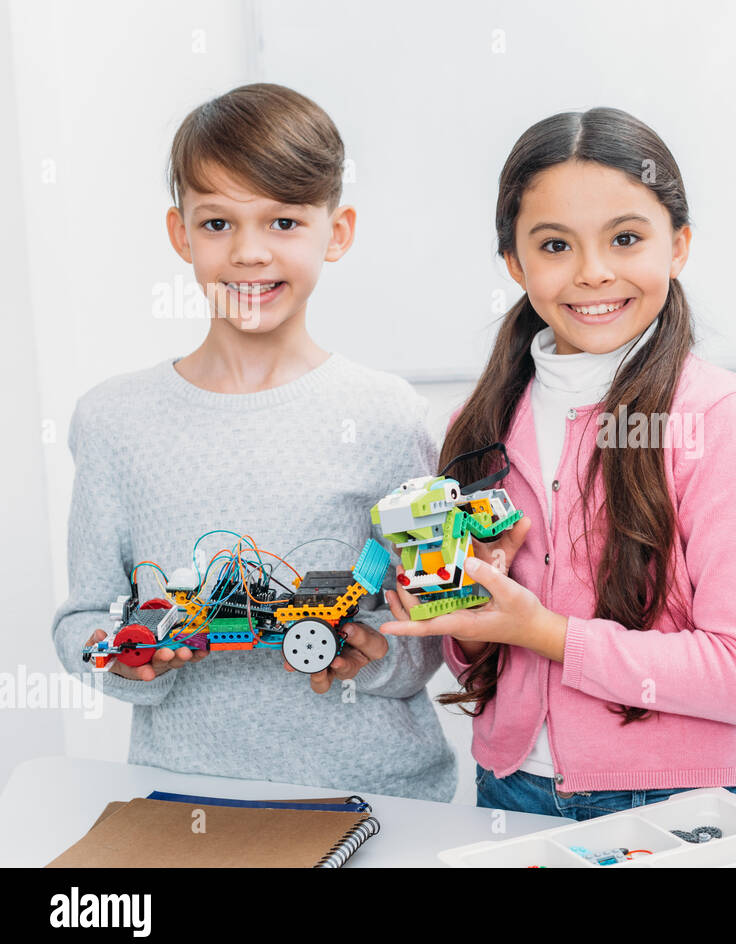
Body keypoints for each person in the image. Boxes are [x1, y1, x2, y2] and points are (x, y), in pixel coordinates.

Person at [50, 83, 457, 800]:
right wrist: (116, 661)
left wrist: (377, 658)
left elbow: (431, 619)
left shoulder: (388, 412)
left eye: (284, 221)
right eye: (217, 224)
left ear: (337, 232)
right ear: (179, 232)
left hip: (375, 796)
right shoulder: (114, 420)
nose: (248, 252)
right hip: (188, 798)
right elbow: (85, 616)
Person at [382, 107, 736, 818]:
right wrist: (462, 606)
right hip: (511, 785)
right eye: (554, 245)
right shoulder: (477, 425)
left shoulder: (713, 418)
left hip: (672, 798)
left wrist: (544, 630)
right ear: (513, 261)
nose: (593, 272)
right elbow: (479, 659)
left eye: (626, 238)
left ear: (679, 245)